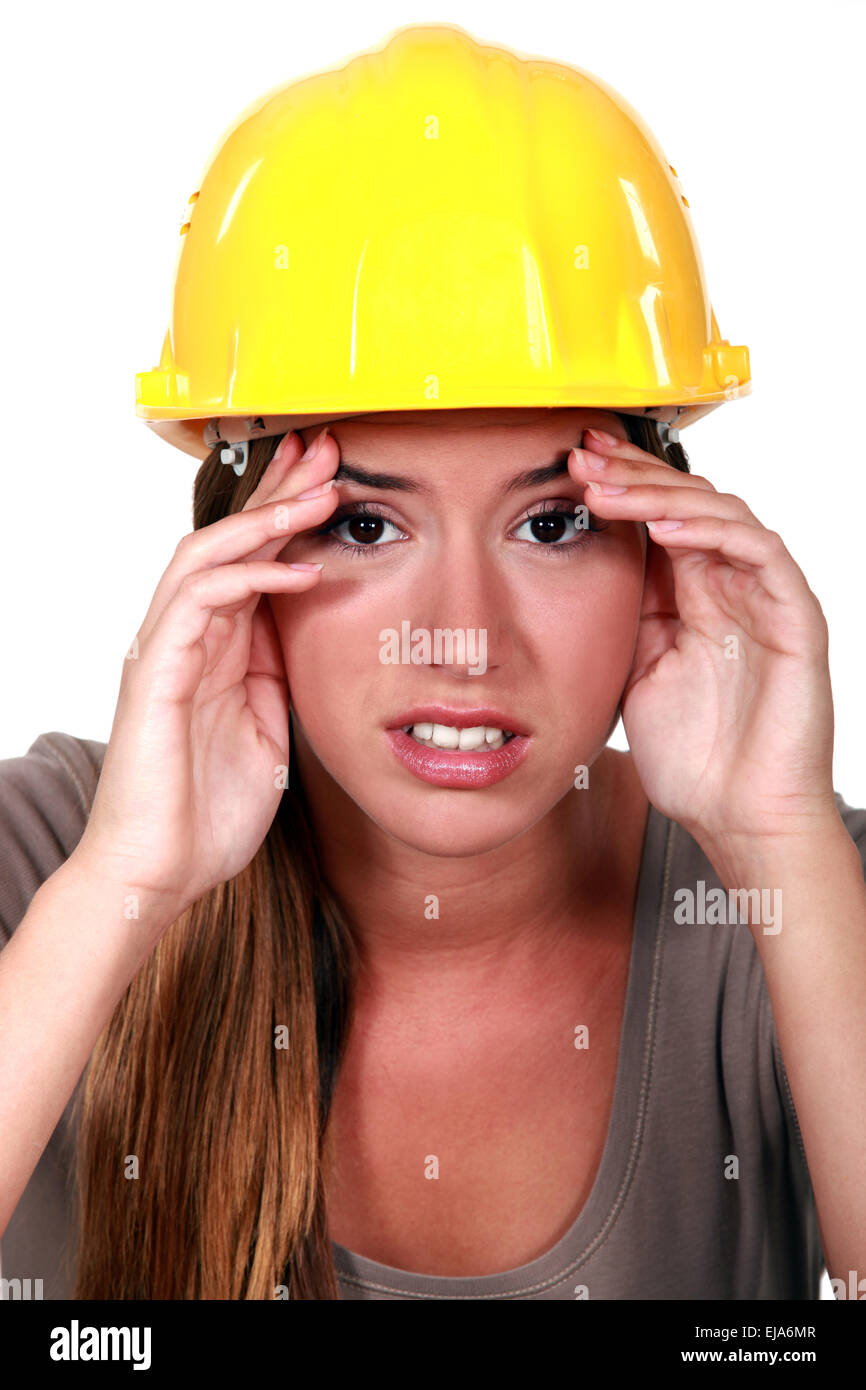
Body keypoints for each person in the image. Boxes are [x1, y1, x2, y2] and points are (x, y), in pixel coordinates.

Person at [2, 25, 865, 1302]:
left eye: (551, 523)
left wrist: (783, 845)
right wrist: (121, 887)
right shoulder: (49, 861)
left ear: (663, 559)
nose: (461, 634)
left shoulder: (798, 908)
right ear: (234, 557)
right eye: (363, 522)